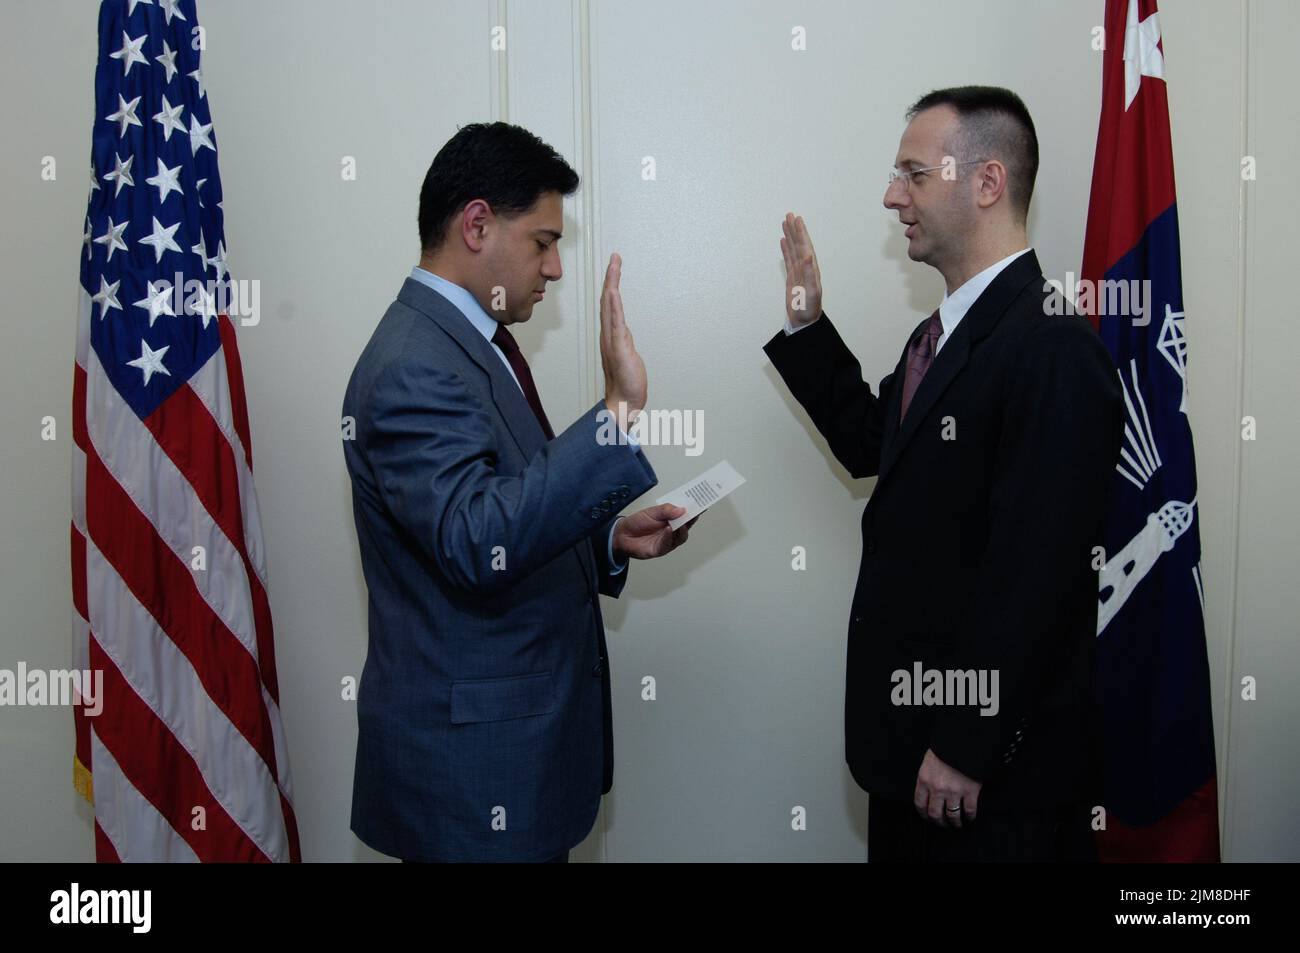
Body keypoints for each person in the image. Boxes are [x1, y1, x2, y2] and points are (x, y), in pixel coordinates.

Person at [764, 87, 1124, 861]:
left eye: (915, 174)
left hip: (988, 779)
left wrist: (966, 740)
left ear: (987, 183)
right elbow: (874, 445)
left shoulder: (1053, 346)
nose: (893, 196)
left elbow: (1038, 572)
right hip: (912, 752)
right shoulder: (945, 335)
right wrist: (806, 325)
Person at [342, 122, 694, 862]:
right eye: (542, 241)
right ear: (476, 225)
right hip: (472, 785)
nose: (556, 267)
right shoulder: (417, 363)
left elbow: (495, 510)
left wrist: (603, 539)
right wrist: (617, 411)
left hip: (505, 765)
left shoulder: (468, 342)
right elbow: (476, 541)